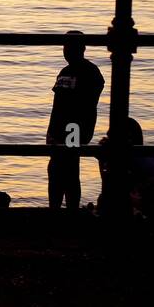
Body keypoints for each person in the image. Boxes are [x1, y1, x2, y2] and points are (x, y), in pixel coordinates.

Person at [45, 30, 105, 210]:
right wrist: (51, 131)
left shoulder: (90, 72)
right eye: (65, 46)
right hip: (60, 128)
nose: (66, 50)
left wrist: (76, 131)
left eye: (70, 46)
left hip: (74, 128)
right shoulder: (65, 71)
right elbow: (57, 105)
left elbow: (86, 105)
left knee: (68, 169)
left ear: (82, 48)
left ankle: (69, 210)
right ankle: (55, 209)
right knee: (57, 169)